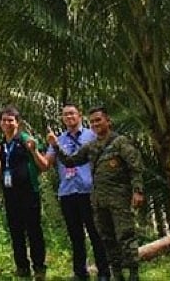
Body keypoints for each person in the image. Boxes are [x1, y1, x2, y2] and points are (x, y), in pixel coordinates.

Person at [52, 107, 145, 281]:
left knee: (126, 235)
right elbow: (71, 161)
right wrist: (56, 146)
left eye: (98, 120)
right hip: (99, 199)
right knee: (107, 238)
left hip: (119, 197)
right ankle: (116, 273)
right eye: (92, 121)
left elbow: (135, 167)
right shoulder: (91, 146)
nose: (95, 124)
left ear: (108, 121)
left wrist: (137, 191)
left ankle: (133, 273)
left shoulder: (120, 142)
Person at [45, 104, 110, 280]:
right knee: (75, 235)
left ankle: (104, 272)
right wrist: (34, 148)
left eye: (72, 113)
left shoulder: (92, 135)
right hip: (67, 192)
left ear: (79, 115)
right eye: (65, 115)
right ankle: (80, 272)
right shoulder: (57, 140)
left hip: (89, 191)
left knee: (96, 233)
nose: (69, 117)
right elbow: (46, 164)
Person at [0, 106, 50, 280]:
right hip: (10, 195)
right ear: (0, 123)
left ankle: (39, 267)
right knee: (16, 231)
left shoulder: (26, 140)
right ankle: (22, 268)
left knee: (33, 231)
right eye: (4, 120)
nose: (7, 123)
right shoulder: (1, 145)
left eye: (10, 120)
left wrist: (33, 150)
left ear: (18, 122)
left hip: (28, 193)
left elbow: (44, 166)